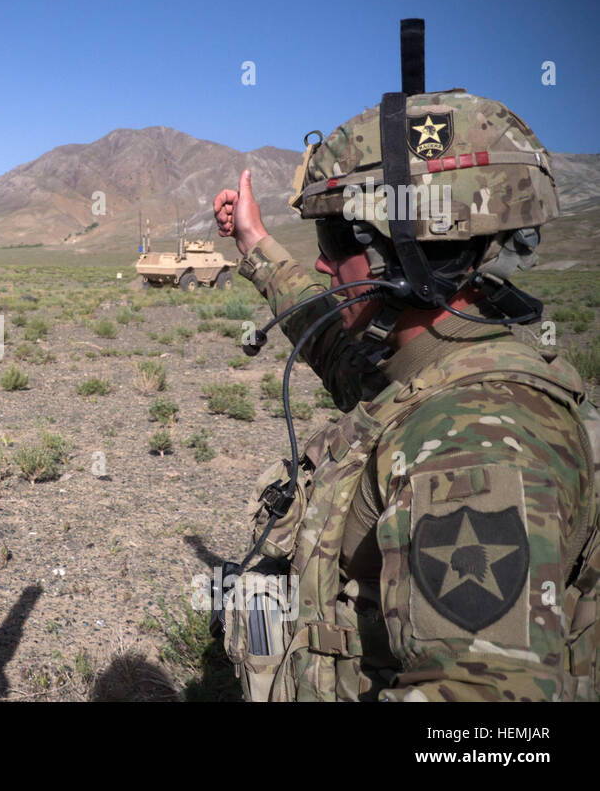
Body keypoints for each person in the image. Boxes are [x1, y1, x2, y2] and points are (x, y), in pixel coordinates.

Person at [211, 85, 599, 701]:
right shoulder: (434, 371)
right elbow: (330, 341)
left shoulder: (473, 441)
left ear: (405, 258)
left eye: (337, 241)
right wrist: (254, 244)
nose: (323, 265)